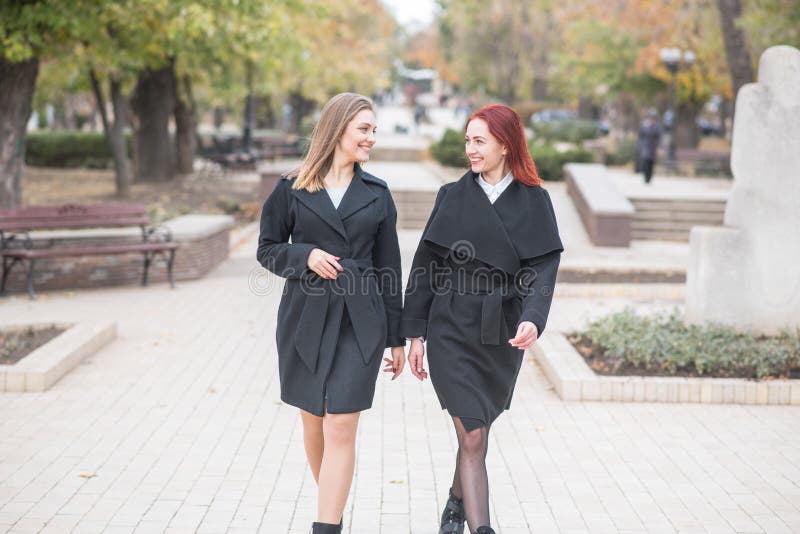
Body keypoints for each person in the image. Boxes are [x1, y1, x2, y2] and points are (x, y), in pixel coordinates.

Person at [401, 104, 563, 534]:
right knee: (471, 433)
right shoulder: (451, 197)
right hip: (450, 326)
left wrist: (532, 318)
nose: (470, 150)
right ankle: (481, 527)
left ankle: (456, 503)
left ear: (505, 145)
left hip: (500, 331)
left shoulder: (535, 200)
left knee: (478, 428)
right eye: (468, 141)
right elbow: (424, 268)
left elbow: (543, 270)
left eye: (479, 141)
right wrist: (414, 333)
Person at [257, 93, 406, 534]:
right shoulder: (292, 188)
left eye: (373, 130)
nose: (371, 138)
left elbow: (389, 270)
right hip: (305, 319)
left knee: (342, 423)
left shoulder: (377, 195)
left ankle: (323, 527)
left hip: (361, 320)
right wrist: (304, 256)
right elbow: (267, 249)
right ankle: (334, 512)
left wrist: (397, 337)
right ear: (337, 129)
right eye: (364, 129)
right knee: (315, 423)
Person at [636, 110, 662, 184]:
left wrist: (660, 147)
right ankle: (646, 177)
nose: (652, 120)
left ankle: (649, 178)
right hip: (645, 146)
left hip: (653, 147)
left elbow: (660, 137)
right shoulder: (644, 125)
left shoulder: (656, 127)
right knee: (645, 161)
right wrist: (639, 145)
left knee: (651, 162)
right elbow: (640, 136)